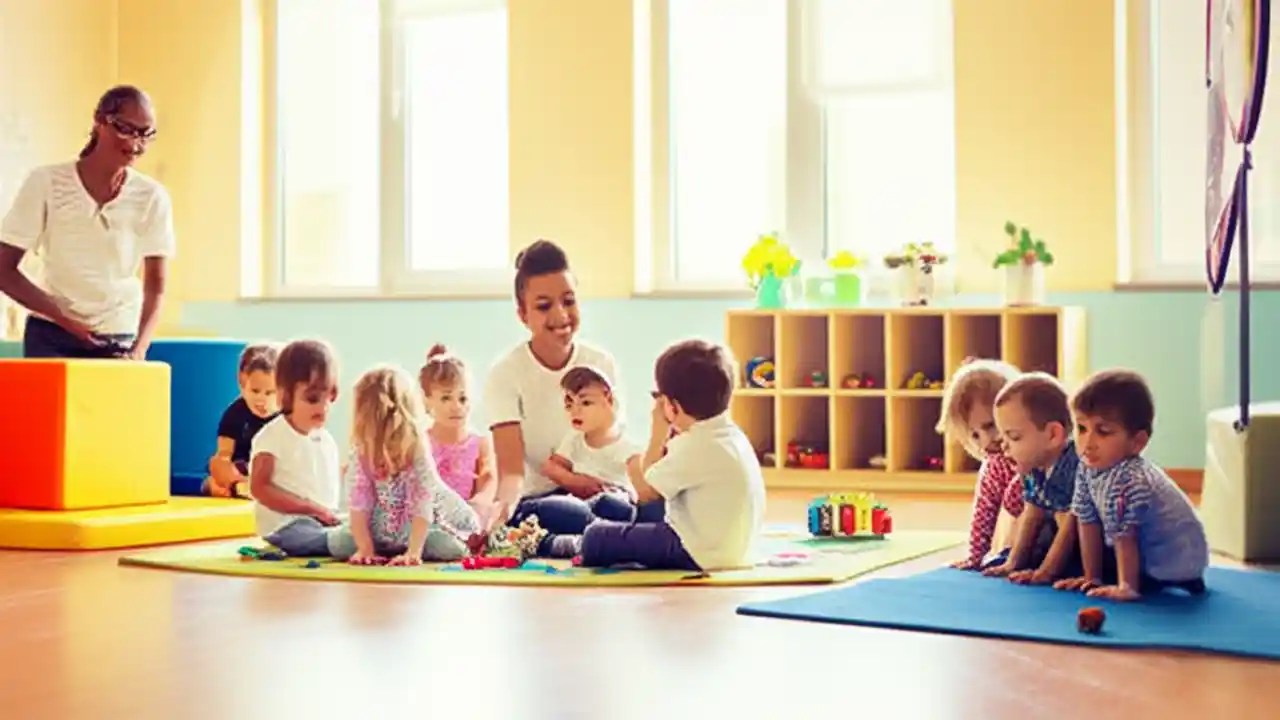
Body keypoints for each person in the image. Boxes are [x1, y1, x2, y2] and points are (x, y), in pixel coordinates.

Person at [482, 239, 652, 552]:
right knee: (568, 513)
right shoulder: (505, 374)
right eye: (544, 306)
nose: (561, 315)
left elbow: (613, 444)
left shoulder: (601, 364)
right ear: (522, 314)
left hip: (604, 495)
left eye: (569, 301)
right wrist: (497, 516)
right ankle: (590, 540)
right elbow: (512, 473)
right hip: (541, 501)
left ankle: (604, 538)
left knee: (626, 510)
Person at [0, 85, 174, 359]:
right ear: (100, 121)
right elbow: (4, 269)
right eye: (125, 129)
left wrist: (139, 350)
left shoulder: (152, 197)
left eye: (146, 134)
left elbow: (156, 286)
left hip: (118, 339)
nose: (135, 144)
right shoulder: (46, 182)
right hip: (51, 335)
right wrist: (65, 320)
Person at [570, 339, 766, 571]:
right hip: (731, 548)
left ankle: (556, 542)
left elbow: (645, 490)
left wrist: (657, 433)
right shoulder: (729, 434)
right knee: (622, 510)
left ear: (673, 406)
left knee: (597, 536)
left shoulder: (695, 445)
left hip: (696, 551)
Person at [1054, 369, 1208, 601]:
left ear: (1137, 442)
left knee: (1114, 537)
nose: (1088, 442)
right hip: (1143, 552)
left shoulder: (1129, 479)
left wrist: (1127, 586)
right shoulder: (1087, 467)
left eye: (1103, 432)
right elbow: (1086, 520)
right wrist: (1091, 576)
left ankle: (1134, 581)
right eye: (1081, 428)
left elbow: (1125, 534)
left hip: (1174, 560)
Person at [329, 365, 480, 565]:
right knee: (338, 544)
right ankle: (383, 545)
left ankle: (402, 545)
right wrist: (365, 549)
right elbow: (359, 502)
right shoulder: (362, 450)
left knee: (450, 548)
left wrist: (413, 552)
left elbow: (423, 500)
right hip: (386, 525)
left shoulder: (416, 446)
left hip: (429, 520)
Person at [247, 339, 343, 557]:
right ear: (285, 396)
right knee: (331, 537)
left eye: (330, 397)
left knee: (360, 526)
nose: (323, 407)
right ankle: (345, 542)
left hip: (321, 522)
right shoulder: (272, 436)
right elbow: (260, 488)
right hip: (286, 527)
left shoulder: (325, 439)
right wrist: (310, 509)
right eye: (312, 399)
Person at [984, 372, 1082, 584]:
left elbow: (1070, 527)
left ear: (1053, 435)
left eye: (1014, 437)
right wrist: (1013, 563)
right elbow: (1032, 511)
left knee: (1059, 526)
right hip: (1065, 530)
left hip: (1100, 539)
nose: (1004, 446)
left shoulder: (1072, 464)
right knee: (1039, 530)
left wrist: (1046, 573)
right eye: (1003, 437)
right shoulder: (1034, 465)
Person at [935, 358, 1025, 570]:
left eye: (991, 426)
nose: (986, 441)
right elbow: (984, 512)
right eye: (975, 434)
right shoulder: (993, 464)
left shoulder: (1033, 452)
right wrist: (975, 557)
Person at [419, 343, 497, 524]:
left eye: (462, 398)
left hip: (466, 519)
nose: (456, 406)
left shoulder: (479, 444)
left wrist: (480, 502)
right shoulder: (421, 442)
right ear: (427, 400)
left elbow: (488, 478)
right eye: (446, 398)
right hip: (426, 520)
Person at [204, 342, 281, 498]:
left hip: (274, 472)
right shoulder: (235, 413)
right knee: (212, 477)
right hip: (242, 471)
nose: (261, 400)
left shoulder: (287, 416)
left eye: (270, 393)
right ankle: (238, 489)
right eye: (255, 391)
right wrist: (225, 468)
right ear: (242, 383)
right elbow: (224, 453)